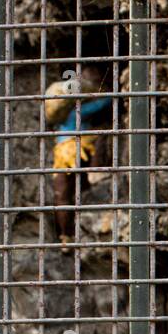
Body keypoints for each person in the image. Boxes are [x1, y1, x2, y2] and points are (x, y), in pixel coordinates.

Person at [45, 77, 111, 244]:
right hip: (77, 148)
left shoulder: (59, 119)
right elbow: (103, 103)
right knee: (101, 134)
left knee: (63, 195)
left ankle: (66, 236)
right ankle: (96, 173)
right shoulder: (77, 112)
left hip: (61, 155)